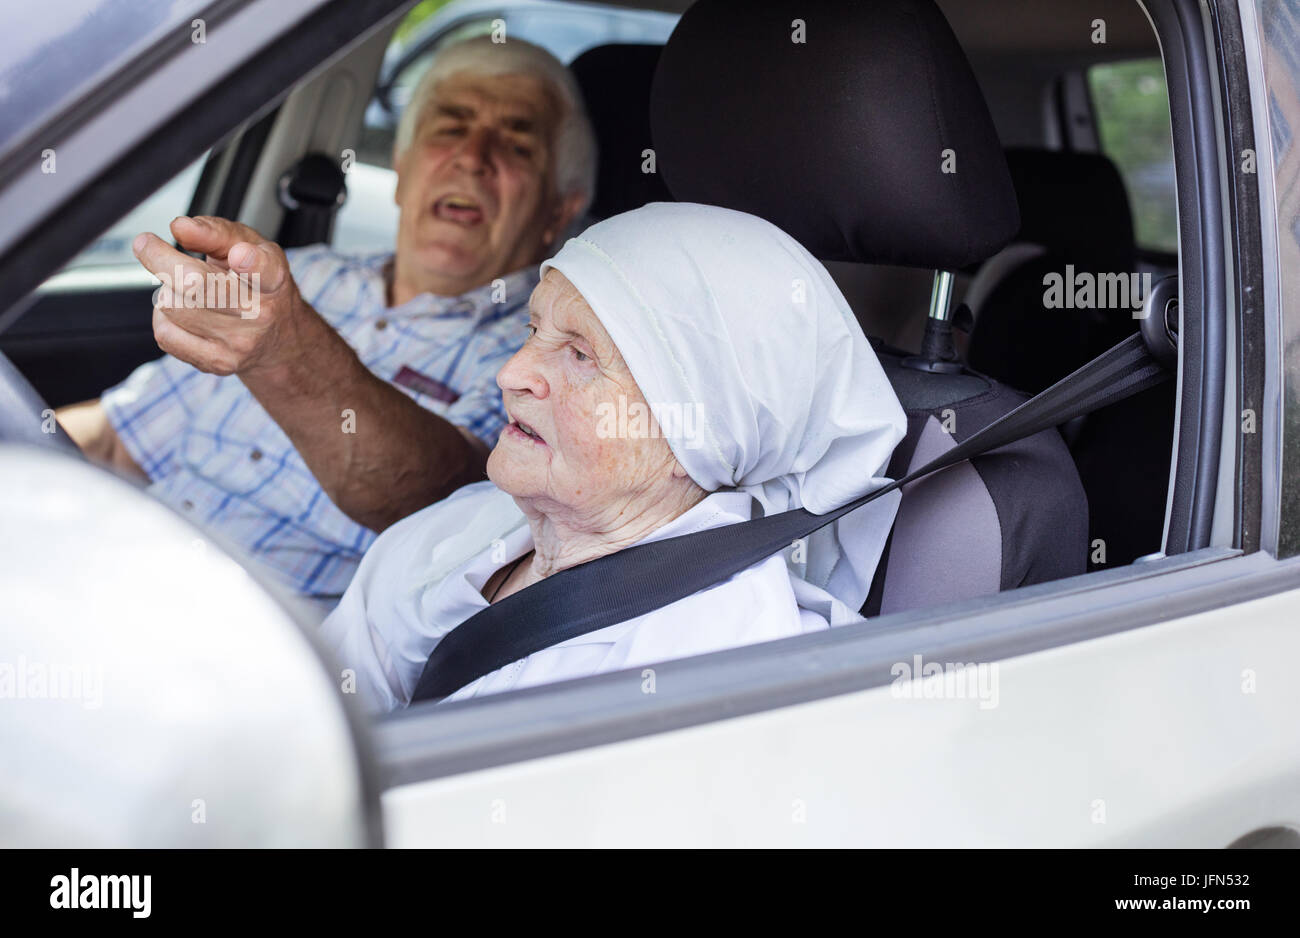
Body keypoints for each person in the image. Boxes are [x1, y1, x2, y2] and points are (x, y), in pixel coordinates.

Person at [56, 37, 596, 615]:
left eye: (516, 143)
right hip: (103, 571)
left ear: (560, 209)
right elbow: (116, 440)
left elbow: (439, 505)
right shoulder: (305, 275)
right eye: (450, 127)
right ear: (402, 168)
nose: (472, 156)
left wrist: (285, 351)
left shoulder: (548, 349)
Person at [320, 202, 908, 712]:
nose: (512, 373)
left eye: (579, 356)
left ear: (694, 433)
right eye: (533, 329)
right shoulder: (457, 528)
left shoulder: (721, 664)